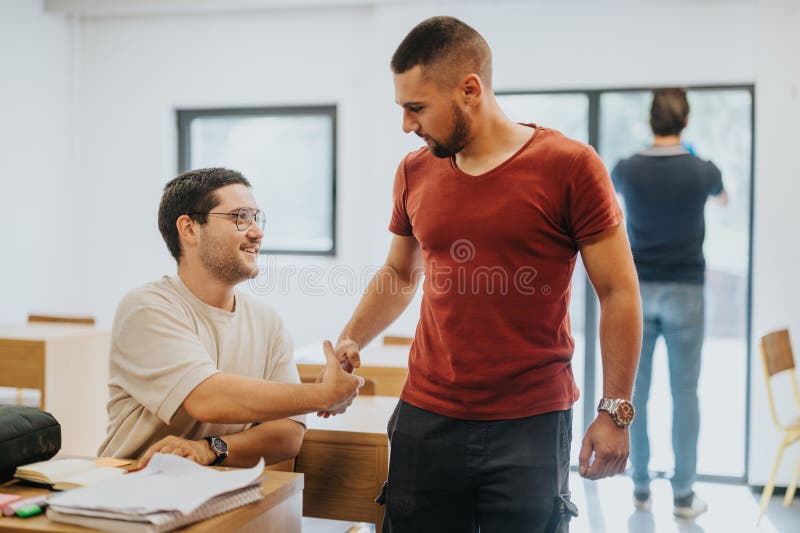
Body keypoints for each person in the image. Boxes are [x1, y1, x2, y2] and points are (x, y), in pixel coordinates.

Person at [325, 16, 642, 532]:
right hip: (426, 416)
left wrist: (616, 411)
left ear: (470, 89)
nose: (407, 124)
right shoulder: (414, 171)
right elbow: (400, 273)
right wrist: (350, 338)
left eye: (417, 107)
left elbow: (618, 291)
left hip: (531, 424)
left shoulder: (570, 166)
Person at [99, 167, 363, 467]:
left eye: (255, 218)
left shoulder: (267, 321)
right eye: (239, 217)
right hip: (132, 486)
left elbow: (288, 434)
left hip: (219, 491)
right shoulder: (147, 308)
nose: (256, 232)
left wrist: (210, 448)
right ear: (188, 229)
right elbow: (206, 397)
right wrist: (322, 395)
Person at [611, 88, 727, 519]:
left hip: (638, 290)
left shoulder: (626, 169)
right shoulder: (702, 170)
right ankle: (682, 496)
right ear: (685, 120)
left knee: (635, 392)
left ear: (650, 120)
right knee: (685, 393)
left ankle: (639, 487)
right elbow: (723, 197)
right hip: (686, 292)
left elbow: (609, 204)